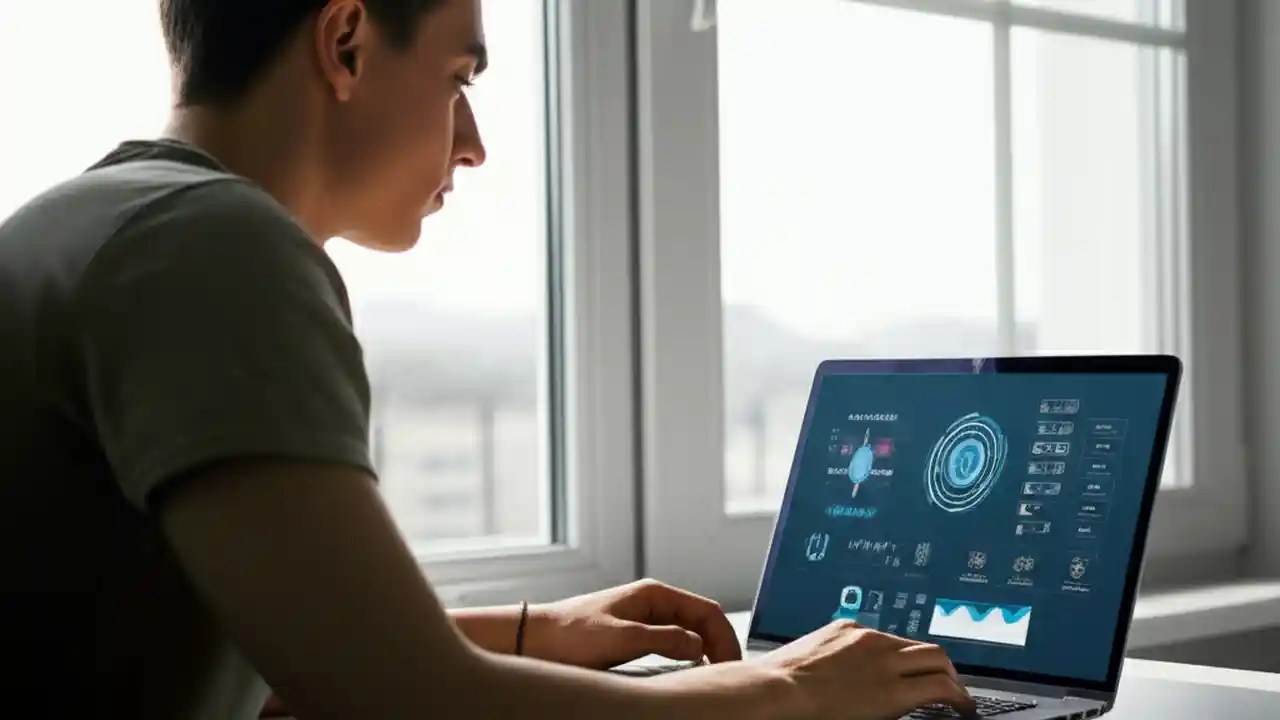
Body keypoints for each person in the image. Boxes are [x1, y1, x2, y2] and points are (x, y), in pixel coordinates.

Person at [0, 0, 976, 717]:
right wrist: (787, 686)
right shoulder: (211, 248)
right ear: (344, 42)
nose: (472, 146)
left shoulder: (84, 224)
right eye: (459, 79)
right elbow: (402, 697)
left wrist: (533, 631)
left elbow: (292, 649)